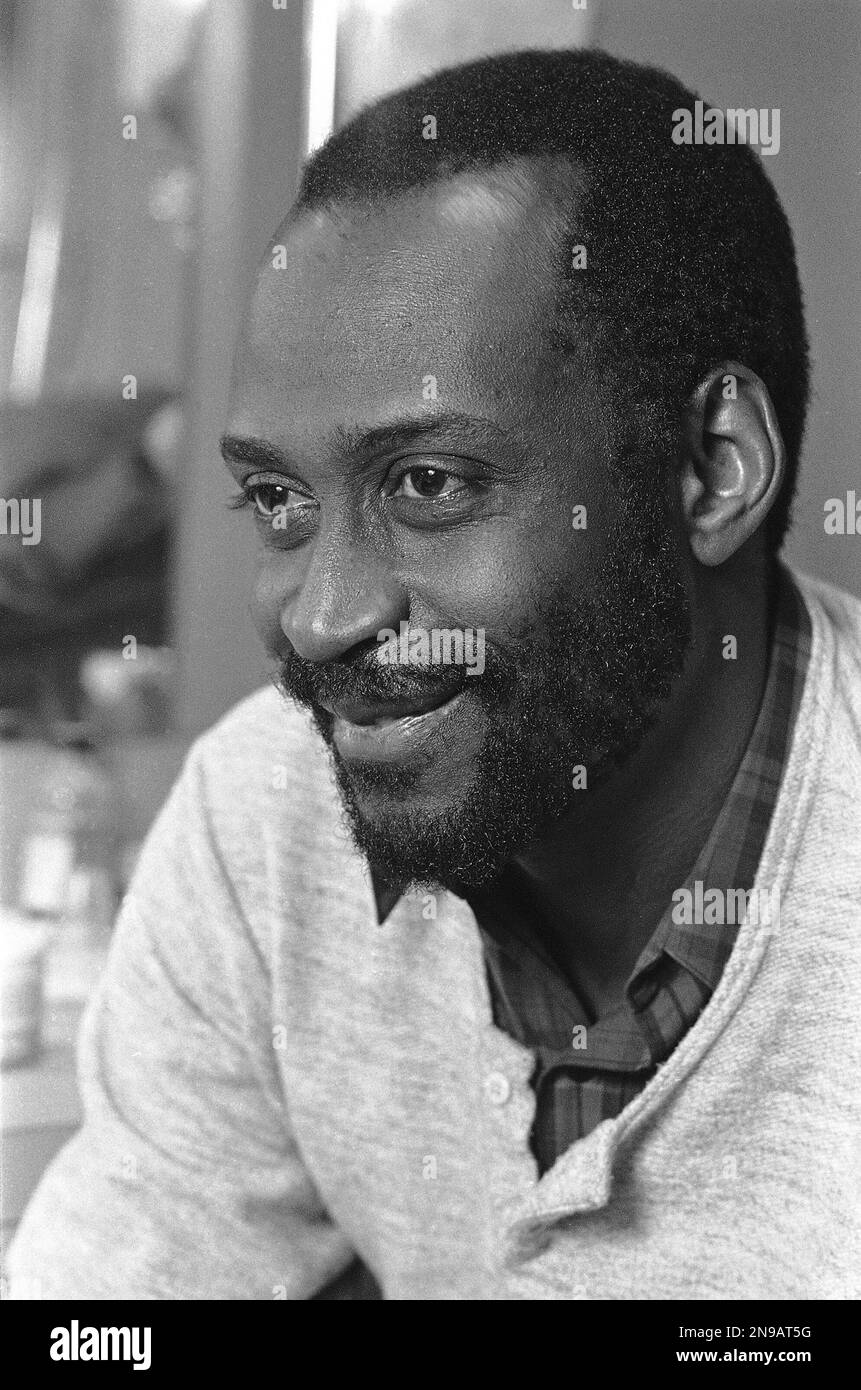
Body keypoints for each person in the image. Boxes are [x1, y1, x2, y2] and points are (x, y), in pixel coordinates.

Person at [9, 48, 860, 1300]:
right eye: (280, 502)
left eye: (429, 484)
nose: (323, 618)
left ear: (713, 466)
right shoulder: (264, 819)